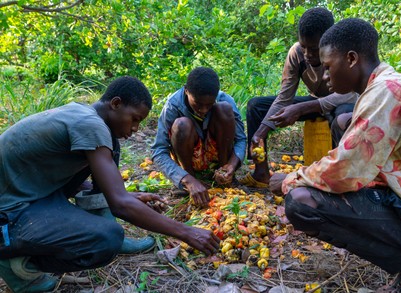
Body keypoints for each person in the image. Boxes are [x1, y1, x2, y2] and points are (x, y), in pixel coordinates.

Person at [0, 76, 220, 293]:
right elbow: (120, 205)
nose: (135, 128)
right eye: (134, 119)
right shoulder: (90, 125)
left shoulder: (84, 114)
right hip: (8, 212)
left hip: (28, 194)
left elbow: (59, 177)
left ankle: (97, 217)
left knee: (111, 145)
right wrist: (186, 232)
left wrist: (128, 195)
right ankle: (15, 262)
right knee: (106, 239)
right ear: (115, 104)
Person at [270, 18, 401, 292]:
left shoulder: (387, 92)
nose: (324, 77)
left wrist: (290, 178)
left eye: (327, 67)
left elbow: (344, 170)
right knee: (344, 122)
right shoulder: (383, 86)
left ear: (351, 59)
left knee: (301, 202)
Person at [241, 7, 358, 188]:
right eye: (303, 47)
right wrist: (261, 132)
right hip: (315, 102)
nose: (308, 54)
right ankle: (261, 172)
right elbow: (285, 96)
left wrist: (303, 108)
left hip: (343, 102)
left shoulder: (342, 52)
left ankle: (339, 179)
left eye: (314, 49)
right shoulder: (296, 53)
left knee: (343, 119)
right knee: (256, 106)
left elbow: (350, 94)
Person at [152, 67, 247, 207]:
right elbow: (159, 151)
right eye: (198, 104)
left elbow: (241, 139)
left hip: (217, 155)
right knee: (182, 125)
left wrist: (231, 165)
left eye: (209, 105)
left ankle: (224, 175)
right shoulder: (173, 106)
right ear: (186, 90)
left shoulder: (224, 99)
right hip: (189, 161)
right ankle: (190, 182)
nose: (203, 110)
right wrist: (185, 179)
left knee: (224, 109)